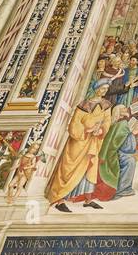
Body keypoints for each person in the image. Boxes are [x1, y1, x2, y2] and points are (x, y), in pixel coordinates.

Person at [45, 83, 114, 212]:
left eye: (106, 89)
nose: (104, 91)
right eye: (102, 88)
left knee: (89, 168)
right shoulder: (84, 105)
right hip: (79, 142)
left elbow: (107, 121)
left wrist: (100, 131)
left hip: (93, 142)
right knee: (69, 169)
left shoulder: (106, 105)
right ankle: (60, 199)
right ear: (96, 88)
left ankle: (88, 199)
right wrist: (86, 130)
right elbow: (74, 124)